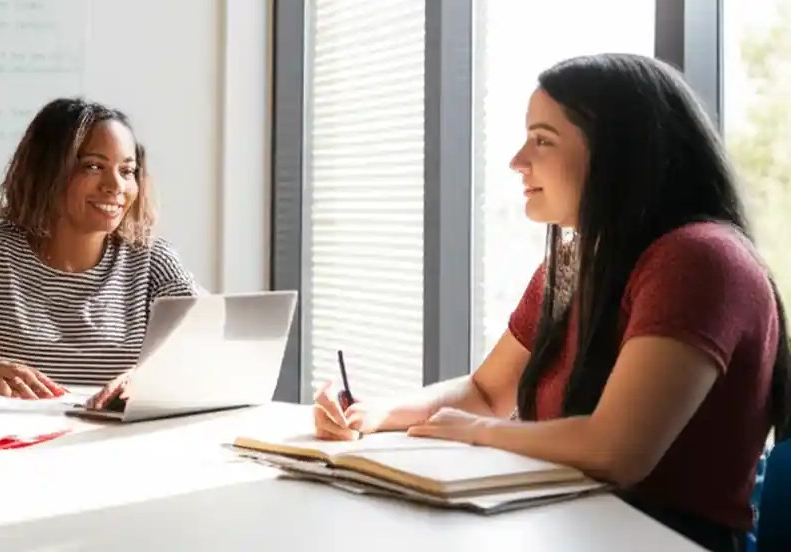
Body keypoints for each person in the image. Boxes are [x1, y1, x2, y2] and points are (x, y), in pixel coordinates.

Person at [313, 54, 789, 552]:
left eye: (542, 140)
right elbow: (483, 391)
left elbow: (616, 451)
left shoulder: (699, 259)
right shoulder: (576, 264)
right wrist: (371, 413)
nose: (518, 160)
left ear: (619, 154)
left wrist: (477, 432)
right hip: (569, 530)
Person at [0, 97, 202, 407]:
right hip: (0, 453)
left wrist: (151, 381)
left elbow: (216, 352)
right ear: (48, 173)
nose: (115, 185)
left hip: (111, 452)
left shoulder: (152, 260)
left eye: (127, 170)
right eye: (93, 166)